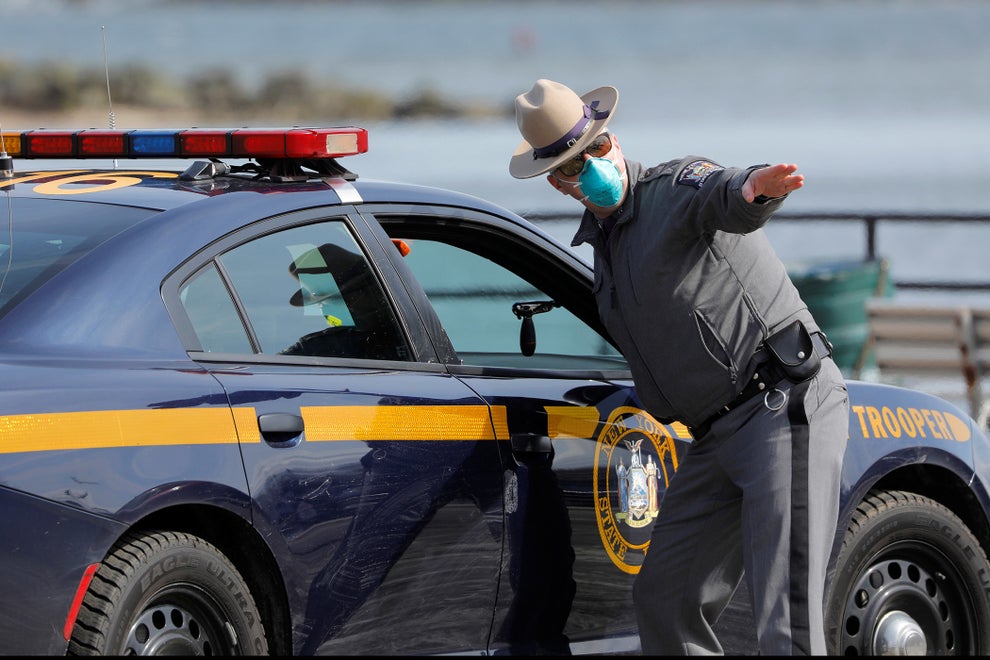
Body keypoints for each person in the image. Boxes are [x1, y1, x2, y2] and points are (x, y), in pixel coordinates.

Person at [508, 79, 850, 655]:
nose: (588, 169)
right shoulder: (604, 249)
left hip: (781, 407)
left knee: (785, 621)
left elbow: (725, 195)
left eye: (594, 149)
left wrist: (758, 188)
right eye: (570, 168)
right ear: (556, 183)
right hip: (714, 437)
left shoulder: (672, 188)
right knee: (664, 599)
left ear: (611, 138)